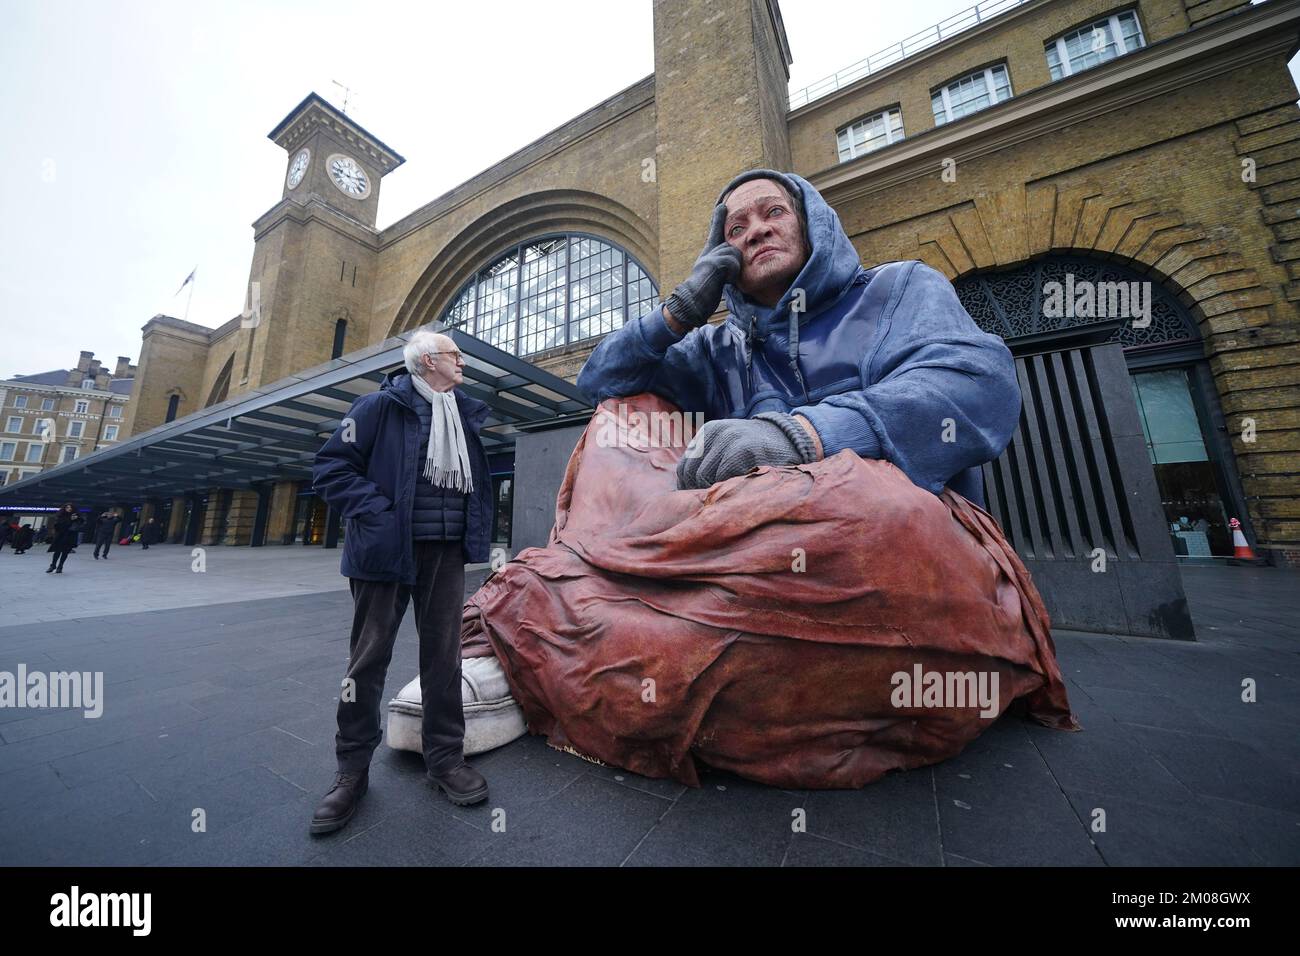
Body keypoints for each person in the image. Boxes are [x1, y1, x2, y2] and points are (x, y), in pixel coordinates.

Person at [576, 169, 1019, 506]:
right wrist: (679, 311)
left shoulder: (899, 289)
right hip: (759, 565)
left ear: (811, 224)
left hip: (908, 559)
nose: (756, 231)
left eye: (774, 212)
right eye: (736, 229)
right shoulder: (714, 349)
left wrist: (800, 436)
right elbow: (598, 385)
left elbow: (977, 387)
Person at [309, 329, 494, 835]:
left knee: (444, 657)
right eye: (455, 355)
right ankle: (351, 772)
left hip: (445, 555)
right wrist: (379, 515)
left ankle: (444, 759)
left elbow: (475, 485)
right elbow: (330, 468)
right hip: (385, 553)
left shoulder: (464, 413)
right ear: (429, 360)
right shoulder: (376, 408)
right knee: (367, 661)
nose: (462, 362)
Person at [45, 503, 85, 574]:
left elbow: (80, 525)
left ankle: (60, 566)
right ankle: (53, 565)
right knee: (57, 551)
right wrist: (70, 520)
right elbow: (58, 526)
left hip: (70, 537)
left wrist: (77, 519)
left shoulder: (77, 517)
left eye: (70, 507)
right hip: (61, 536)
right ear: (64, 508)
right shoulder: (61, 516)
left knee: (65, 552)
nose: (69, 509)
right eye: (67, 507)